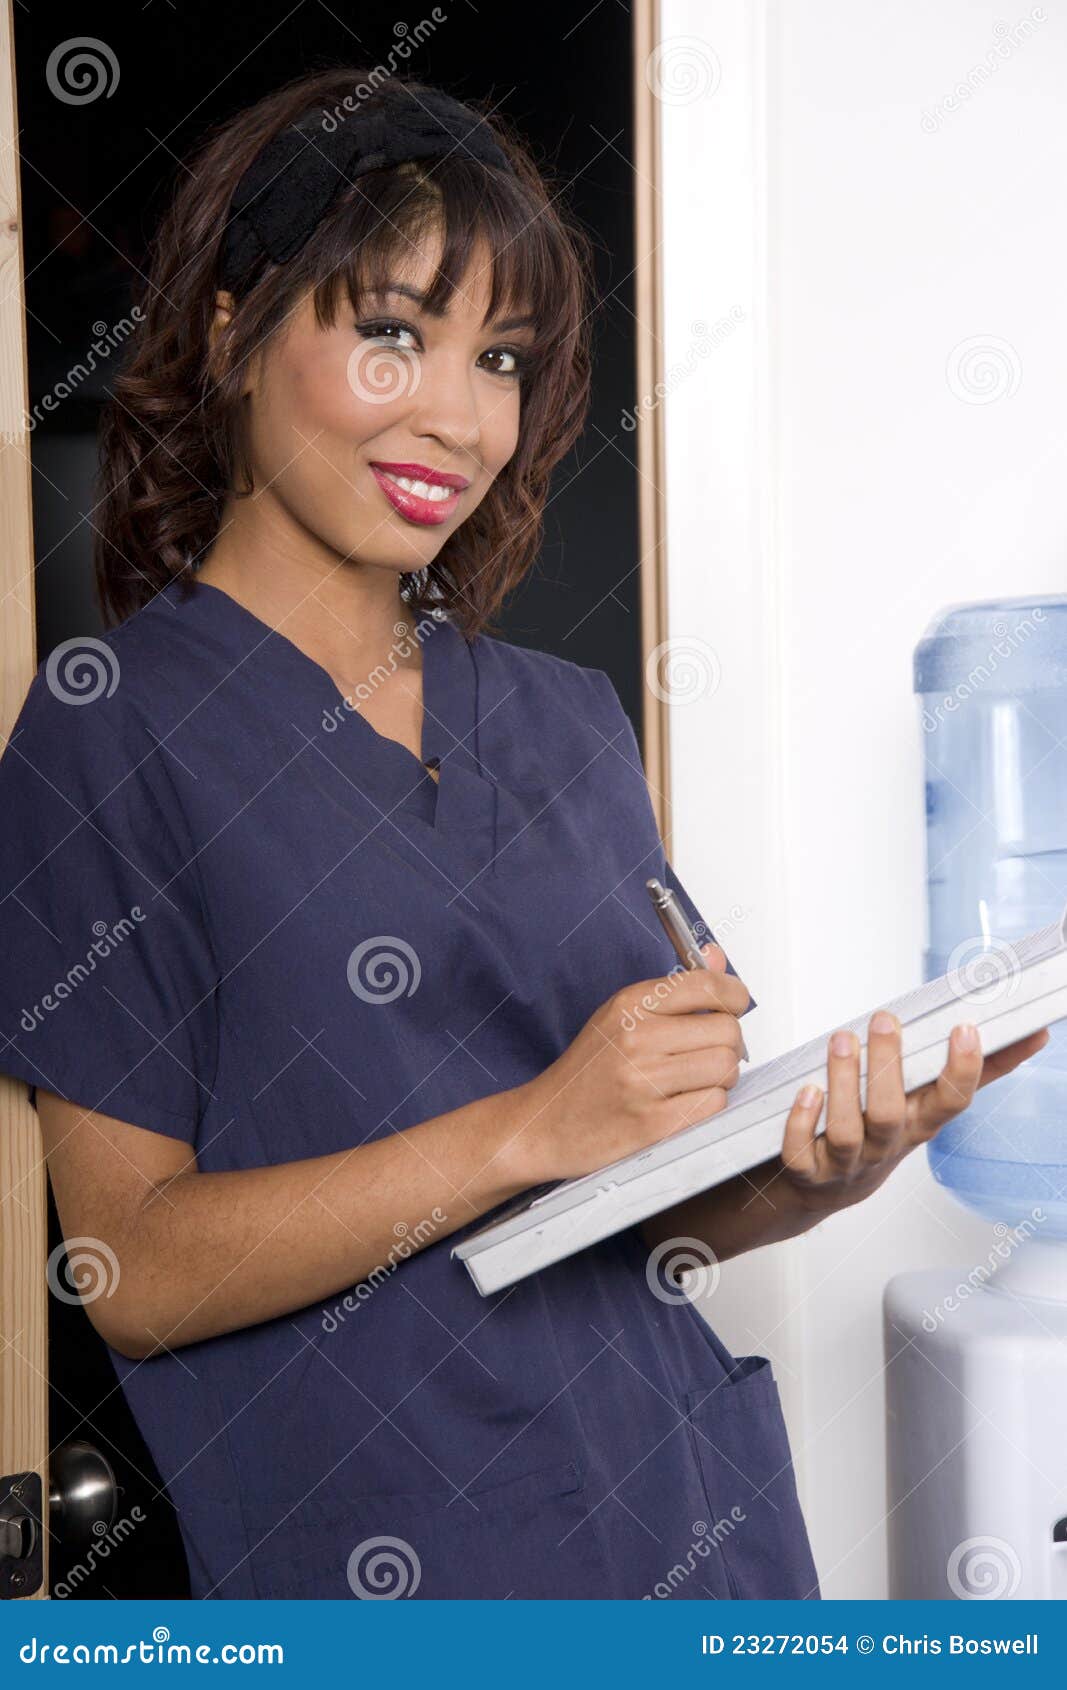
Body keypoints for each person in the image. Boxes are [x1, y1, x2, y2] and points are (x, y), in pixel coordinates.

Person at [0, 69, 1048, 1601]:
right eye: (390, 334)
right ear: (231, 329)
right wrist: (525, 1125)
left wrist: (811, 1170)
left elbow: (629, 1201)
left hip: (698, 1535)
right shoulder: (106, 729)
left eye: (499, 357)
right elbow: (134, 1270)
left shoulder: (567, 721)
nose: (457, 412)